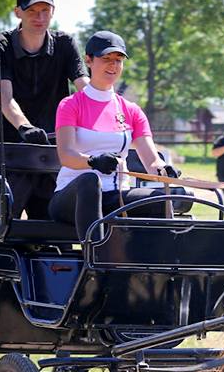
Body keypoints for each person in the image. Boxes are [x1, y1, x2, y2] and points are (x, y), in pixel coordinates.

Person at [50, 30, 180, 241]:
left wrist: (163, 170)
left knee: (160, 199)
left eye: (118, 60)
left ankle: (164, 266)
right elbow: (66, 155)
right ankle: (97, 262)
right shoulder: (70, 105)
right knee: (89, 181)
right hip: (72, 196)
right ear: (88, 60)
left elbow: (151, 159)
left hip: (114, 195)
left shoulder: (132, 110)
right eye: (106, 59)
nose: (113, 65)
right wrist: (93, 162)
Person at [0, 0, 89, 219]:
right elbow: (5, 99)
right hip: (11, 156)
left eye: (45, 11)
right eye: (31, 11)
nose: (39, 17)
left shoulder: (64, 44)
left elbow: (84, 87)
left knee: (57, 235)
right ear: (17, 12)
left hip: (53, 156)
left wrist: (107, 112)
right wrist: (25, 127)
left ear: (53, 11)